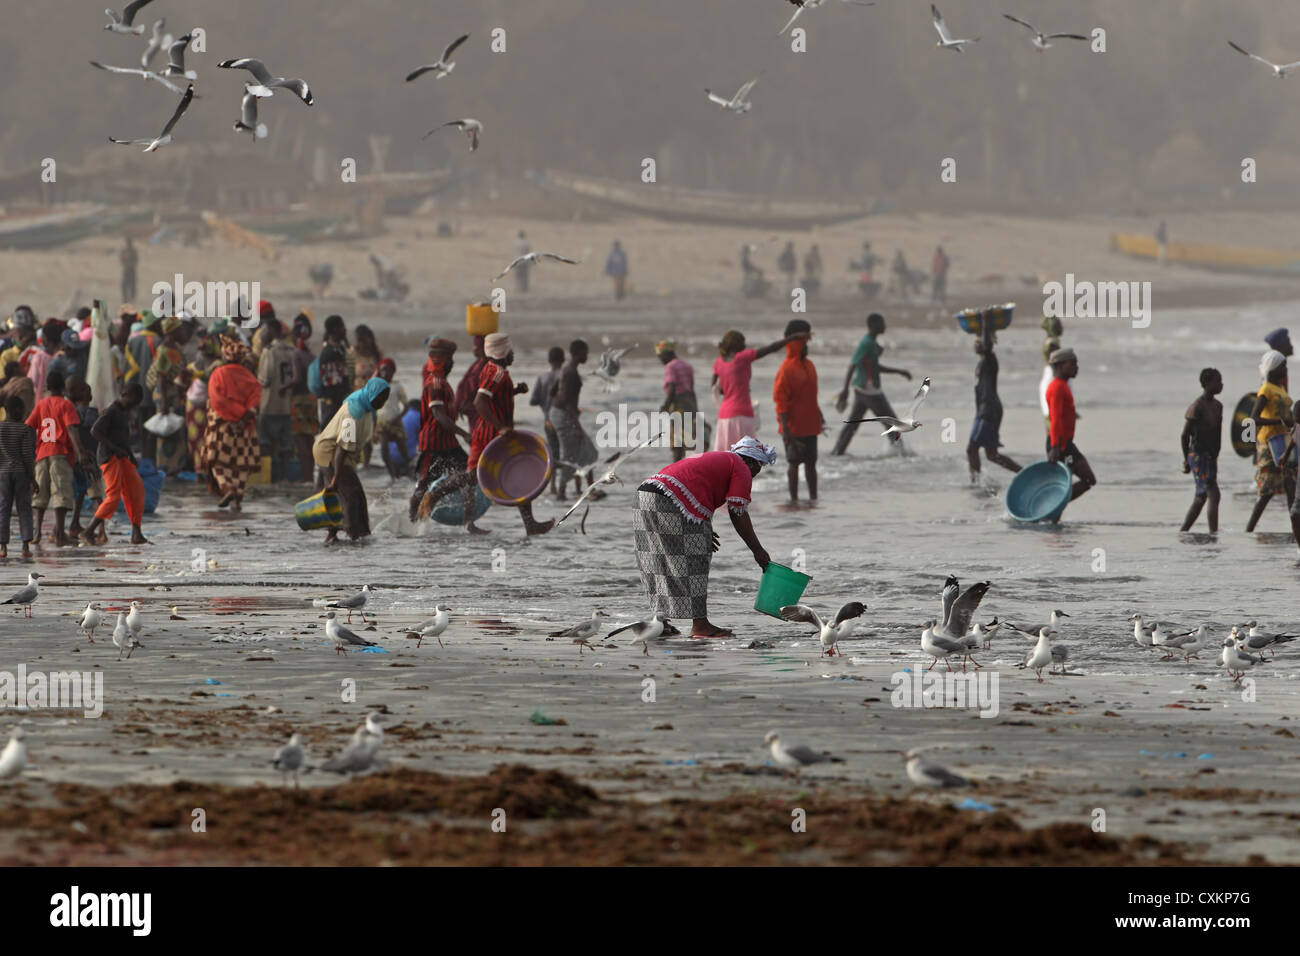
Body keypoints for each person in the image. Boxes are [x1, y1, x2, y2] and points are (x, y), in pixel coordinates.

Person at [633, 436, 775, 638]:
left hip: (646, 493)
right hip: (669, 500)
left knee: (658, 559)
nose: (756, 474)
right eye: (758, 467)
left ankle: (659, 623)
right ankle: (700, 626)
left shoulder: (724, 459)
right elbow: (738, 512)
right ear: (751, 461)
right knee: (696, 559)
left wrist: (701, 529)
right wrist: (758, 550)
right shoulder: (741, 467)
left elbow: (695, 488)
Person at [417, 333, 553, 536]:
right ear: (503, 352)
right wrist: (501, 427)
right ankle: (529, 524)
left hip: (487, 432)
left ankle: (445, 503)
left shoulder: (490, 370)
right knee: (505, 472)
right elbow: (480, 402)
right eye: (510, 350)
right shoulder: (498, 373)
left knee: (473, 476)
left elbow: (492, 397)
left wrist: (514, 391)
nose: (513, 354)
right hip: (492, 434)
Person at [314, 377, 389, 545]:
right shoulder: (353, 413)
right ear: (372, 394)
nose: (383, 403)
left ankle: (339, 535)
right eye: (381, 398)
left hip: (341, 454)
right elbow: (341, 450)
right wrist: (335, 478)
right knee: (351, 495)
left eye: (385, 399)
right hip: (329, 453)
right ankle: (355, 535)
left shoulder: (368, 406)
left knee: (352, 495)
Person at [409, 338, 473, 522]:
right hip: (434, 442)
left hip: (448, 441)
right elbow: (438, 415)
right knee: (423, 484)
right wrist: (464, 433)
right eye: (451, 359)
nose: (453, 363)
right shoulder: (435, 383)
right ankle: (413, 520)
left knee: (469, 474)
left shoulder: (443, 382)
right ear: (445, 361)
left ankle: (468, 522)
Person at [711, 328, 807, 451]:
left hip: (724, 417)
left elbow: (715, 387)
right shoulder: (742, 358)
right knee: (746, 457)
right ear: (735, 344)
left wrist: (731, 387)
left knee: (725, 458)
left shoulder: (718, 362)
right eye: (742, 342)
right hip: (742, 414)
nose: (745, 346)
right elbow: (770, 349)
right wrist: (792, 338)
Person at [833, 313, 913, 455]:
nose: (884, 326)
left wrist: (899, 372)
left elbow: (875, 367)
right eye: (881, 323)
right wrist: (845, 389)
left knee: (853, 425)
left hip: (862, 390)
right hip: (870, 392)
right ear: (873, 325)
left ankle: (837, 452)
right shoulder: (867, 343)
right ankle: (901, 454)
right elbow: (853, 365)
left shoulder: (872, 343)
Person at [25, 369, 88, 546]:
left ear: (47, 387)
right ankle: (60, 533)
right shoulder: (66, 405)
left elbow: (29, 427)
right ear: (63, 387)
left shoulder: (41, 404)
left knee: (40, 494)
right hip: (60, 454)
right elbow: (71, 429)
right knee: (61, 493)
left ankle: (37, 533)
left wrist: (29, 451)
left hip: (42, 454)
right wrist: (80, 451)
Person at [83, 382, 149, 546]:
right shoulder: (111, 411)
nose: (133, 406)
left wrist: (130, 455)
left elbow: (122, 437)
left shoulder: (124, 412)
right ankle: (89, 530)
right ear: (124, 394)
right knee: (113, 496)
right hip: (109, 457)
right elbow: (95, 431)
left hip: (122, 456)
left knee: (136, 491)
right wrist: (114, 448)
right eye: (133, 401)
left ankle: (136, 533)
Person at [202, 337, 262, 512]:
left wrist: (234, 415)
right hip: (245, 426)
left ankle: (227, 489)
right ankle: (237, 499)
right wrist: (243, 416)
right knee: (242, 463)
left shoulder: (217, 374)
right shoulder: (250, 377)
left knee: (217, 461)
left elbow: (218, 400)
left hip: (222, 426)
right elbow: (255, 400)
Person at [772, 319, 824, 503]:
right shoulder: (786, 369)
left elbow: (811, 395)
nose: (807, 344)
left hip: (810, 424)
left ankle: (813, 498)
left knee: (811, 464)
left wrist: (820, 416)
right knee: (794, 463)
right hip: (793, 427)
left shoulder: (809, 365)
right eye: (804, 340)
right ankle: (793, 499)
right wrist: (786, 429)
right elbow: (780, 400)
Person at [1246, 350, 1295, 533]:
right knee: (1267, 490)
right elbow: (1254, 418)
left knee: (1291, 486)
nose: (1286, 368)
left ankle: (1295, 528)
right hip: (1268, 444)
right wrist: (1279, 422)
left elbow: (1287, 415)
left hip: (1284, 442)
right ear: (1274, 369)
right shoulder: (1266, 389)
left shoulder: (1280, 388)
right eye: (1283, 365)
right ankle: (1249, 530)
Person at [966, 315, 1021, 482]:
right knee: (991, 455)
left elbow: (988, 346)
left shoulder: (990, 359)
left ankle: (975, 482)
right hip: (985, 411)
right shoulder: (982, 362)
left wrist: (985, 324)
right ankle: (1023, 473)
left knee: (972, 449)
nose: (976, 344)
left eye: (979, 341)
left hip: (989, 410)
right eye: (975, 341)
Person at [549, 339, 600, 501]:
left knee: (588, 450)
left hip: (559, 414)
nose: (587, 356)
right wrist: (575, 422)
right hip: (564, 416)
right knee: (570, 455)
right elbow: (564, 400)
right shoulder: (570, 372)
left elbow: (553, 392)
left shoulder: (567, 370)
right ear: (578, 353)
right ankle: (561, 492)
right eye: (585, 353)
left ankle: (590, 489)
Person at [1045, 348, 1096, 505]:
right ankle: (1051, 507)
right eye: (1072, 363)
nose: (1076, 367)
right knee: (1087, 479)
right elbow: (1055, 420)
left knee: (1087, 480)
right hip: (1060, 446)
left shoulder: (1062, 386)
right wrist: (1055, 447)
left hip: (1065, 444)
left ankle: (1053, 508)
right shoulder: (1057, 388)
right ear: (1060, 366)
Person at [1181, 368, 1223, 533]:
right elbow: (1185, 435)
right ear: (1206, 384)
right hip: (1198, 455)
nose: (1221, 384)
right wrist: (1187, 459)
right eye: (1217, 381)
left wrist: (1216, 454)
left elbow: (1217, 433)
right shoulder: (1197, 406)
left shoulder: (1218, 406)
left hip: (1211, 456)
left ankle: (1183, 531)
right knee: (1214, 493)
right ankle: (1214, 533)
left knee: (1201, 497)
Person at [256, 317, 297, 483]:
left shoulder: (269, 351)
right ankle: (285, 476)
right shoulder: (291, 350)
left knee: (265, 440)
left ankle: (268, 475)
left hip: (269, 403)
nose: (262, 333)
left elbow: (265, 378)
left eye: (265, 330)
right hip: (286, 405)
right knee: (285, 443)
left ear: (272, 331)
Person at [66, 377, 104, 540]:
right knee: (96, 495)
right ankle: (101, 530)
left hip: (78, 458)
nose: (89, 391)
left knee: (81, 492)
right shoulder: (90, 413)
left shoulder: (73, 412)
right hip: (90, 459)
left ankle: (75, 523)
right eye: (84, 390)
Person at [0, 394, 36, 558]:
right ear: (17, 410)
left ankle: (3, 547)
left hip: (3, 474)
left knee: (3, 508)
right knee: (24, 508)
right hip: (21, 472)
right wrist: (32, 477)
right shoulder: (25, 429)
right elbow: (28, 455)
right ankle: (25, 547)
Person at [127, 310, 162, 461]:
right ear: (154, 324)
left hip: (135, 390)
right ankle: (151, 457)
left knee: (141, 425)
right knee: (153, 427)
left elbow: (127, 369)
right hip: (153, 391)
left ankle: (144, 459)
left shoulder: (132, 341)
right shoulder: (158, 341)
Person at [530, 346, 565, 494]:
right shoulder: (565, 375)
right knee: (568, 454)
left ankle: (553, 487)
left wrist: (545, 404)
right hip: (563, 421)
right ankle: (568, 487)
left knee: (553, 454)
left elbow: (533, 400)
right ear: (563, 360)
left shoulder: (542, 377)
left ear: (549, 360)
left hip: (547, 421)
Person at [657, 340, 699, 463]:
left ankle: (675, 468)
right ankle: (689, 466)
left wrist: (665, 406)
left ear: (666, 354)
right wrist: (695, 409)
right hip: (690, 403)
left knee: (677, 441)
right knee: (688, 438)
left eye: (660, 357)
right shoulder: (686, 366)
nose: (660, 360)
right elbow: (691, 389)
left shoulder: (670, 366)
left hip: (679, 405)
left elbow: (672, 387)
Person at [289, 313, 317, 483]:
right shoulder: (312, 356)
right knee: (310, 440)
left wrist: (283, 387)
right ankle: (311, 480)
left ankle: (306, 480)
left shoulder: (296, 354)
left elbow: (296, 378)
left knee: (300, 443)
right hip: (312, 400)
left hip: (298, 401)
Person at [373, 358, 410, 480]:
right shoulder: (376, 385)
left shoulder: (397, 386)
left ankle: (409, 471)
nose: (385, 373)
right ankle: (393, 475)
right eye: (383, 370)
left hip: (395, 421)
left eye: (388, 370)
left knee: (403, 449)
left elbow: (406, 406)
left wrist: (398, 418)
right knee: (384, 449)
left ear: (393, 372)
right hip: (382, 422)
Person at [315, 315, 352, 429]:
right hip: (333, 406)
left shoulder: (339, 350)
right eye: (342, 327)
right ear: (335, 329)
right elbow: (332, 385)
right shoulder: (330, 354)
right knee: (333, 441)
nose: (345, 330)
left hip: (340, 405)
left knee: (347, 442)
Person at [455, 335, 488, 434]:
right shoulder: (477, 364)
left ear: (482, 349)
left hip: (479, 413)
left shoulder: (484, 366)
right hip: (472, 412)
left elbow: (475, 388)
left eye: (475, 347)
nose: (473, 349)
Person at [1279, 400, 1300, 551]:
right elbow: (1293, 441)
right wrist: (1285, 456)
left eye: (1295, 413)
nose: (1293, 415)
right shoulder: (1297, 428)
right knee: (1294, 515)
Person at [120, 237, 138, 304]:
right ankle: (125, 298)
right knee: (124, 285)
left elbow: (136, 260)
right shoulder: (124, 251)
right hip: (126, 269)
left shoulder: (133, 251)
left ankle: (131, 298)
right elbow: (121, 259)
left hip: (131, 269)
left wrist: (131, 264)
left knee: (132, 285)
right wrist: (125, 264)